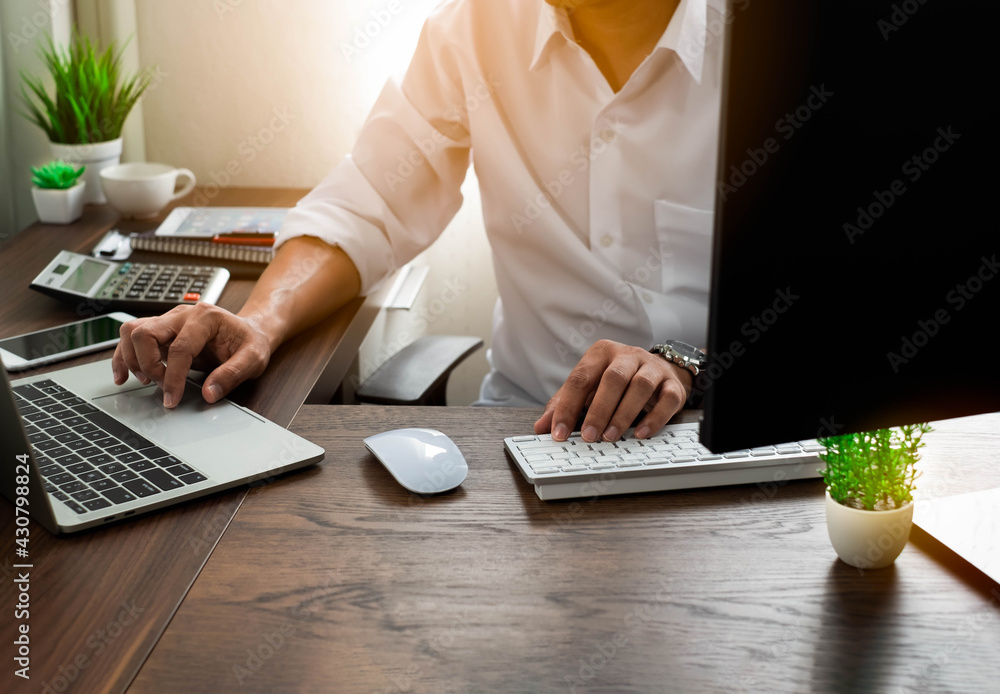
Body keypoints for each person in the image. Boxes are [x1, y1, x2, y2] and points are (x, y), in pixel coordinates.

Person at [112, 0, 724, 444]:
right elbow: (371, 201)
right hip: (532, 428)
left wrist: (685, 362)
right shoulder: (473, 30)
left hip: (722, 436)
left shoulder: (779, 40)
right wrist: (258, 324)